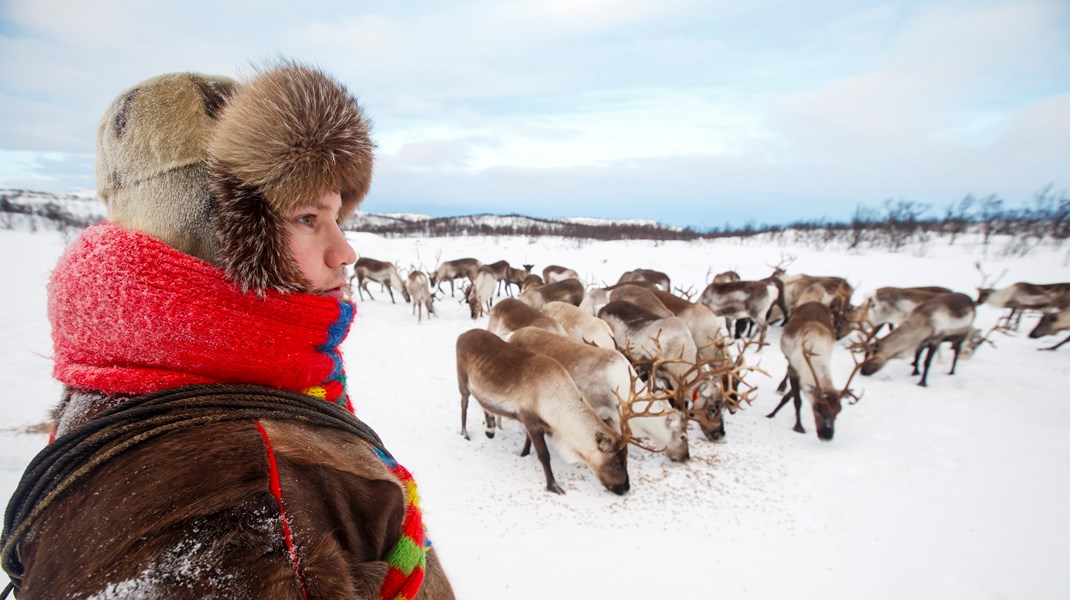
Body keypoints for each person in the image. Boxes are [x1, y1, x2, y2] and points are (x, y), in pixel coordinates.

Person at [0, 63, 454, 599]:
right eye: (308, 218)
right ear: (223, 237)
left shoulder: (116, 378)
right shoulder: (255, 509)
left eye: (338, 218)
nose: (345, 251)